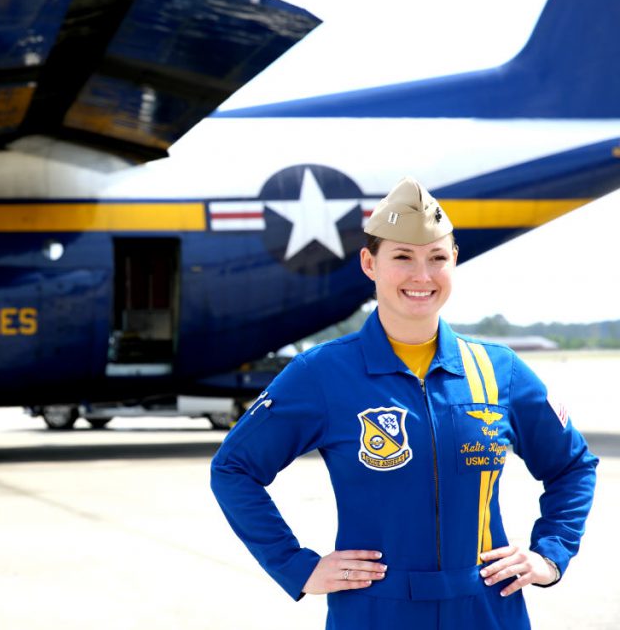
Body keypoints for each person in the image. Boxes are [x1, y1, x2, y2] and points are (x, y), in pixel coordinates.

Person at [210, 178, 597, 629]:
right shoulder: (322, 373)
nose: (422, 276)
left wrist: (549, 556)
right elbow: (233, 469)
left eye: (436, 258)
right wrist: (296, 566)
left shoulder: (499, 371)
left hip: (488, 610)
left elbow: (572, 466)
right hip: (375, 611)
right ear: (369, 263)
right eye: (402, 258)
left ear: (454, 259)